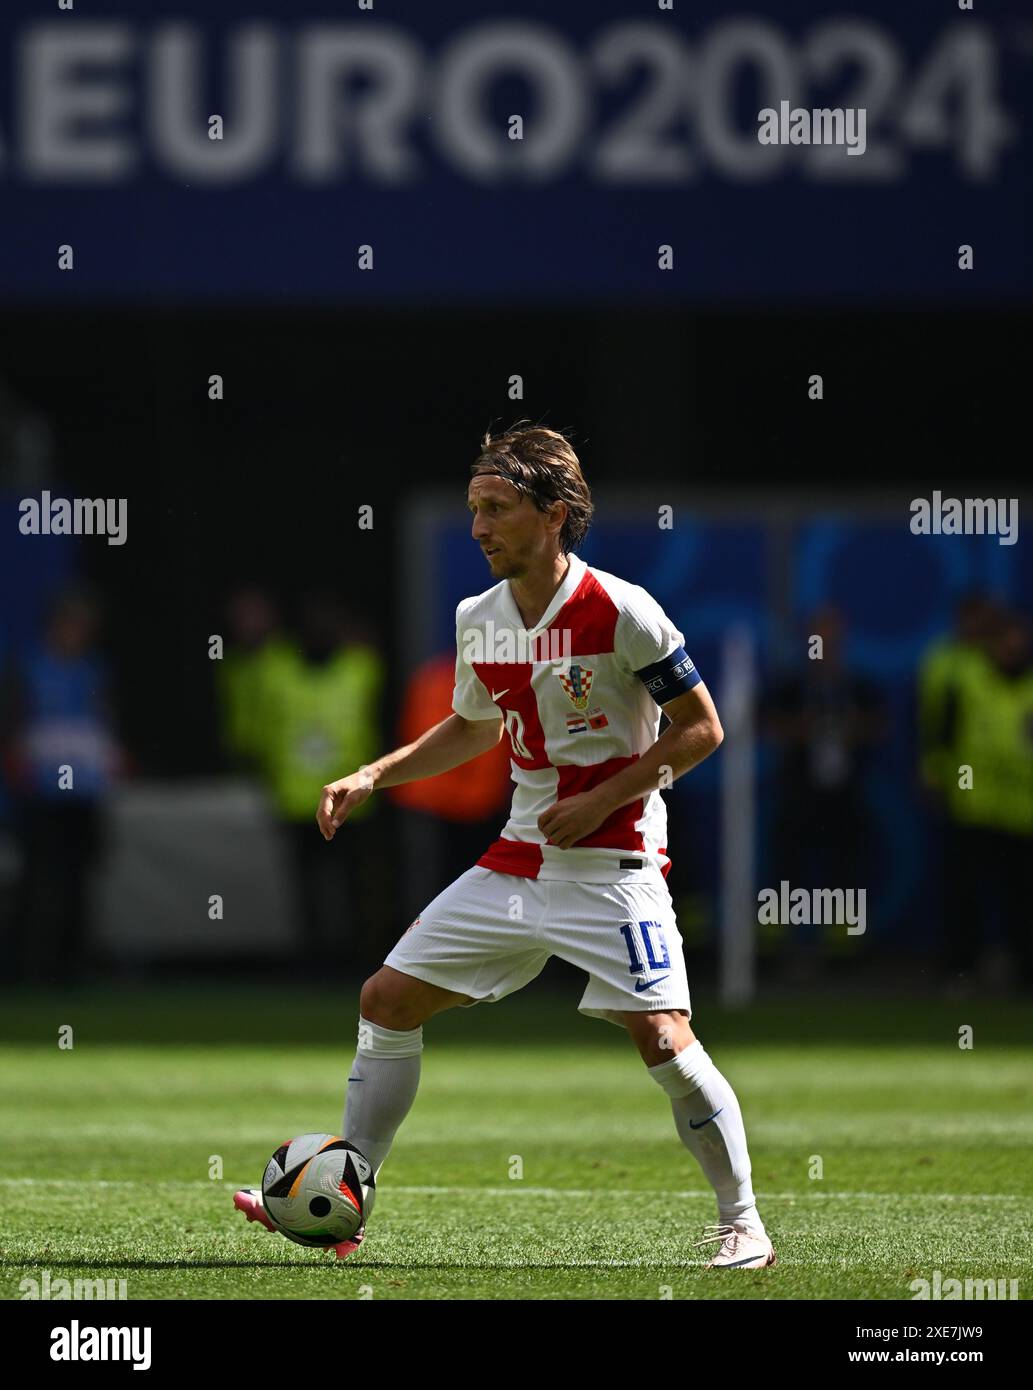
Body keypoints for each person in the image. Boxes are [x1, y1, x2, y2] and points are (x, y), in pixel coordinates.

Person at [235, 423, 776, 1269]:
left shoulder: (623, 610)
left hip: (615, 866)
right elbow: (470, 726)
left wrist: (602, 795)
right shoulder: (477, 617)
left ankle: (742, 1222)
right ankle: (346, 1193)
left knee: (664, 1040)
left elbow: (701, 729)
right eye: (473, 509)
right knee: (385, 1000)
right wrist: (374, 774)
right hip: (519, 858)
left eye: (497, 508)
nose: (479, 526)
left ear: (554, 514)